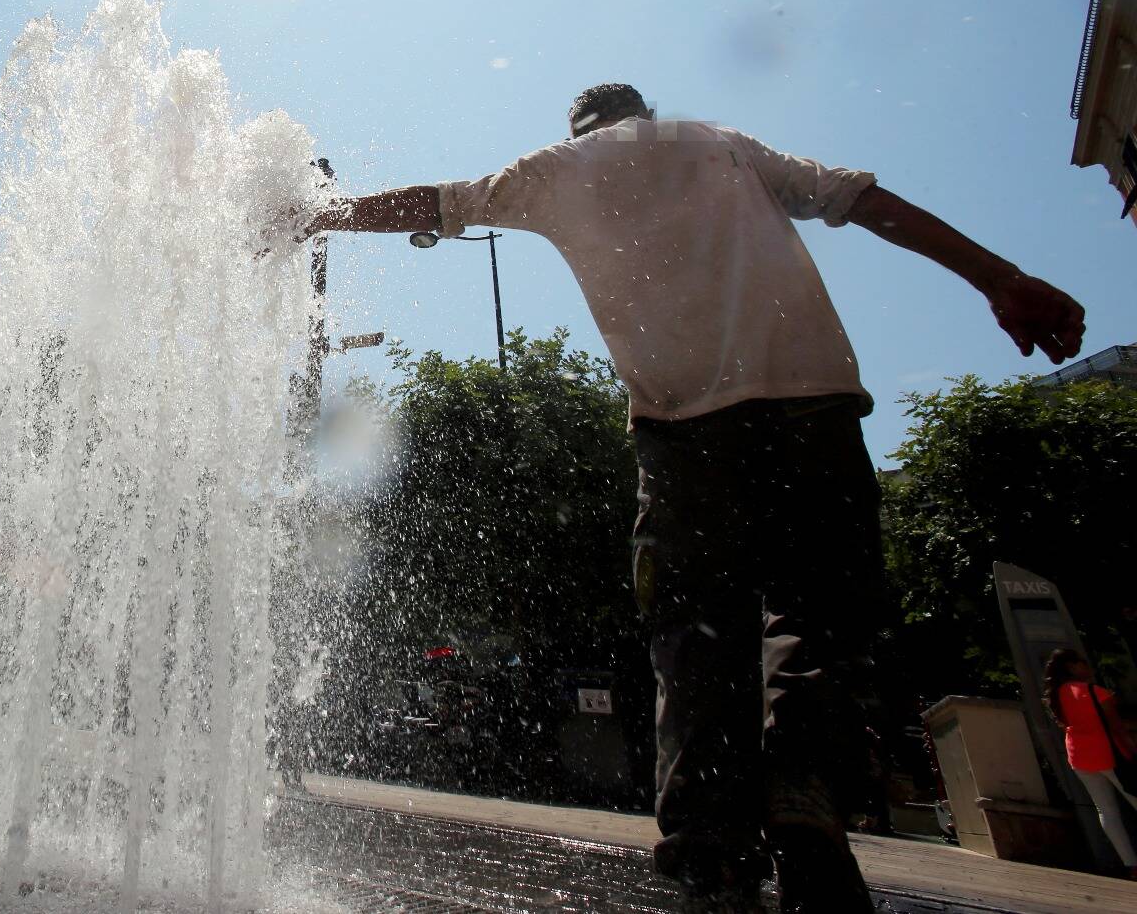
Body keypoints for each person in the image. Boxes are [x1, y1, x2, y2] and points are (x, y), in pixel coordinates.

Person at [304, 83, 1087, 913]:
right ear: (644, 111)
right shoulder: (721, 142)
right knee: (817, 618)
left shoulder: (556, 170)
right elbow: (862, 201)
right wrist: (1001, 279)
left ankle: (710, 849)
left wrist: (321, 213)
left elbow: (436, 201)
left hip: (683, 439)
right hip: (811, 411)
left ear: (580, 128)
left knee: (694, 638)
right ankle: (803, 788)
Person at [1044, 648, 1137, 878]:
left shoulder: (1057, 695)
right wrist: (1133, 751)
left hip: (1079, 757)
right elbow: (1117, 728)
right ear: (1072, 666)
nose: (1088, 666)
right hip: (1109, 754)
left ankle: (1131, 864)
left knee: (1106, 810)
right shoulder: (1097, 693)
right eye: (1082, 662)